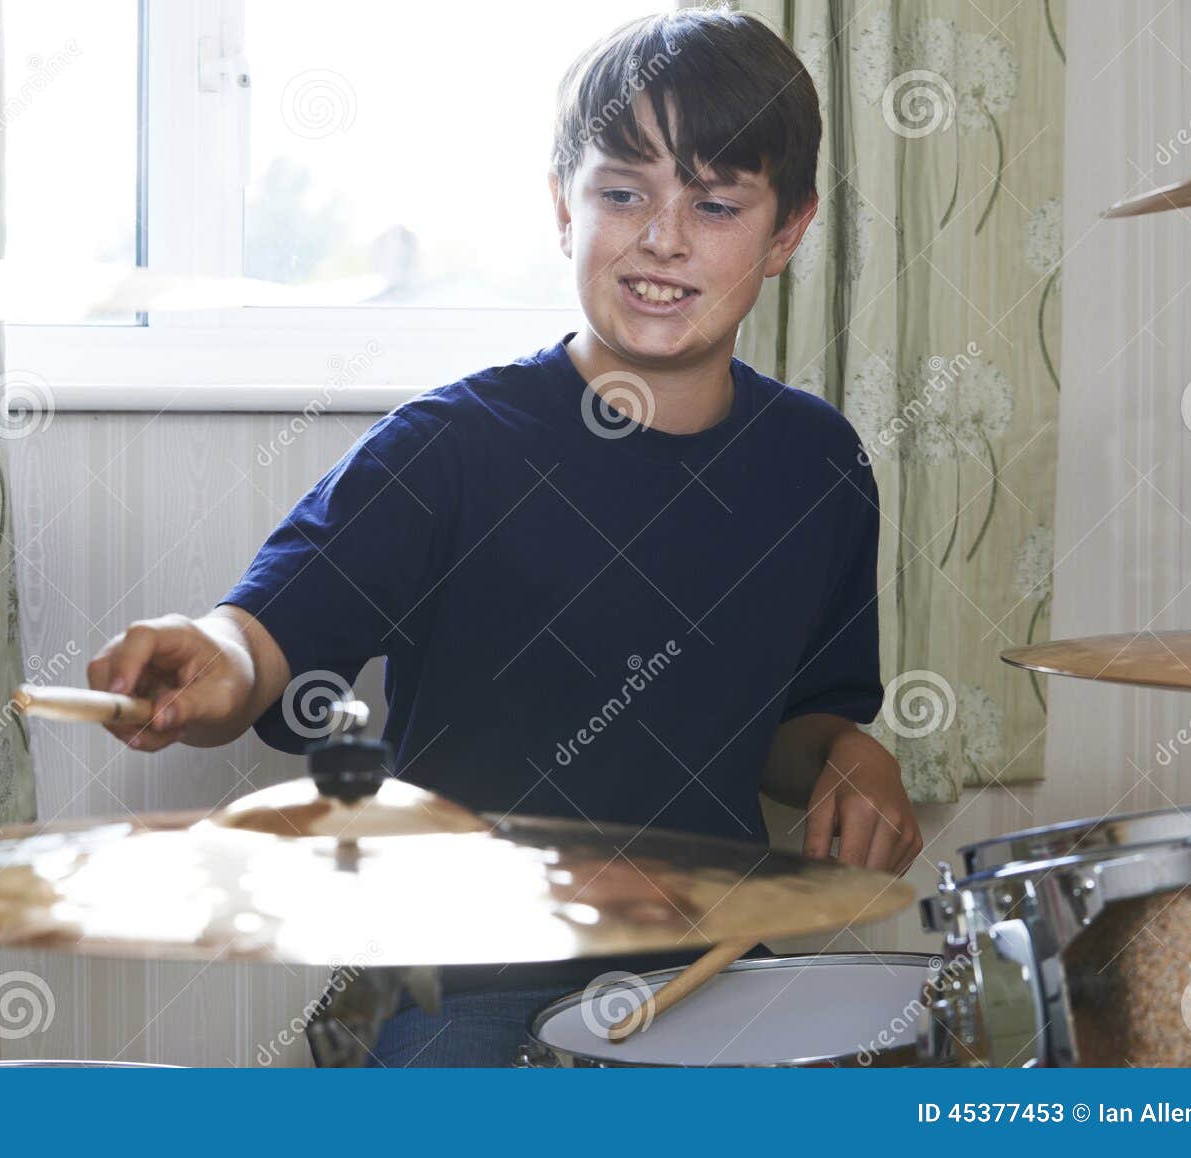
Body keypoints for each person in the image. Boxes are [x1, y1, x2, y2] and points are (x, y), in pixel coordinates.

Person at [86, 8, 921, 1067]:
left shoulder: (818, 463)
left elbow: (796, 725)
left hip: (709, 971)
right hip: (467, 984)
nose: (663, 238)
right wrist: (213, 655)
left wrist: (849, 754)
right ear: (564, 208)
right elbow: (264, 641)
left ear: (787, 233)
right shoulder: (451, 446)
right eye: (623, 193)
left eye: (714, 205)